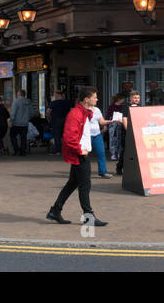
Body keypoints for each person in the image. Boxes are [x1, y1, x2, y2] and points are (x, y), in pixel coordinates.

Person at [45, 87, 109, 228]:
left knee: (72, 183)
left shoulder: (84, 113)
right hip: (79, 154)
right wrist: (80, 150)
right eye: (95, 97)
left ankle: (55, 211)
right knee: (85, 185)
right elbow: (68, 137)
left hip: (81, 153)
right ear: (86, 99)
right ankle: (88, 216)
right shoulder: (75, 114)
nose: (97, 99)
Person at [115, 90, 141, 175]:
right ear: (130, 98)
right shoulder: (126, 106)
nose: (136, 99)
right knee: (125, 151)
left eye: (138, 98)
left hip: (137, 132)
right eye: (134, 98)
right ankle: (119, 167)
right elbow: (124, 119)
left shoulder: (140, 107)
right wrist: (128, 131)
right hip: (127, 132)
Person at [9, 91, 33, 156]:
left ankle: (16, 150)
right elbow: (31, 113)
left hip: (16, 123)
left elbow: (13, 113)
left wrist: (11, 121)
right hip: (25, 123)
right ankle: (23, 151)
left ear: (18, 94)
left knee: (12, 136)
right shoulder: (29, 102)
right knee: (23, 137)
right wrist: (27, 119)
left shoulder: (16, 102)